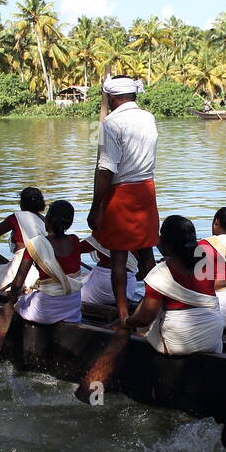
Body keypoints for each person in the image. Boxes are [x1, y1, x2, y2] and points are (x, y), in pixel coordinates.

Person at [87, 76, 159, 322]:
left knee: (118, 255)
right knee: (147, 252)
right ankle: (156, 307)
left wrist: (96, 207)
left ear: (111, 97)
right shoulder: (148, 118)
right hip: (146, 191)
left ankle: (123, 315)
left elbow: (106, 169)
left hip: (122, 193)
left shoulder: (110, 123)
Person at [123, 215, 223, 355]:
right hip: (213, 337)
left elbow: (145, 318)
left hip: (177, 343)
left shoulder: (160, 273)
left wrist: (126, 322)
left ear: (166, 244)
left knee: (141, 322)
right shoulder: (207, 265)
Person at [9, 199, 86, 324]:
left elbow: (17, 284)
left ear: (48, 219)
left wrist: (13, 297)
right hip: (73, 307)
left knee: (21, 302)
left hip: (46, 310)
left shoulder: (36, 244)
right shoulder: (75, 240)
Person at [80, 235, 143, 306]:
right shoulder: (138, 236)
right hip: (128, 288)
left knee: (74, 293)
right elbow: (142, 273)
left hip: (102, 285)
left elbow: (76, 249)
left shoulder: (102, 234)